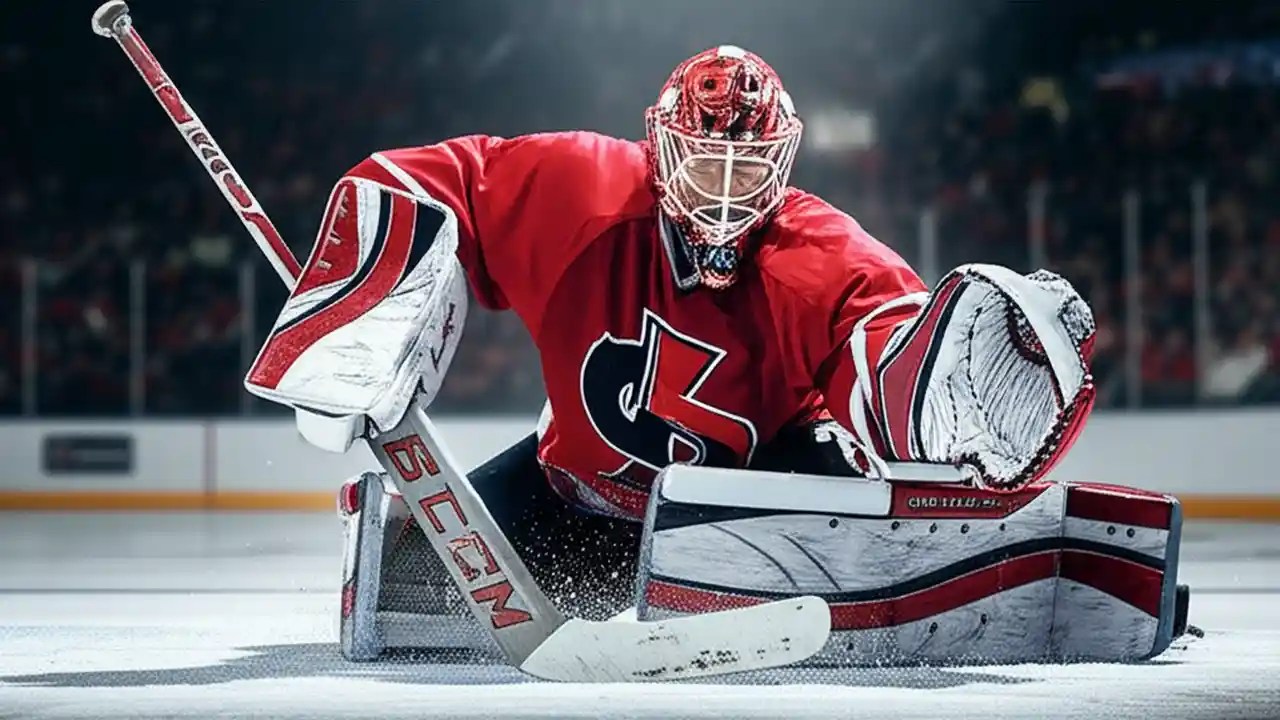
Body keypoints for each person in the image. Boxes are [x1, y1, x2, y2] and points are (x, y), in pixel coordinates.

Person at [244, 46, 1097, 655]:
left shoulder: (828, 254)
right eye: (706, 161)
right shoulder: (580, 191)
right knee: (402, 589)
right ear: (661, 148)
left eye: (748, 165)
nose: (726, 189)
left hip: (741, 518)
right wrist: (359, 308)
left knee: (847, 503)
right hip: (574, 500)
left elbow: (894, 361)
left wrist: (958, 385)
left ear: (783, 161)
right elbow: (422, 181)